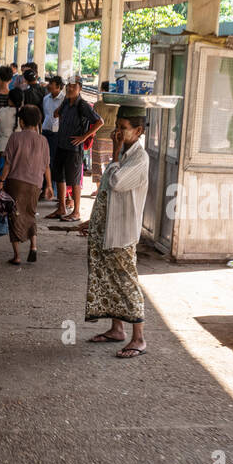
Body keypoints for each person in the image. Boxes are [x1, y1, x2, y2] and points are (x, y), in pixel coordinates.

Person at [80, 106, 151, 359]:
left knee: (126, 281)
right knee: (108, 280)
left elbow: (116, 181)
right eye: (117, 127)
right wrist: (93, 219)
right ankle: (116, 329)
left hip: (121, 232)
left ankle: (139, 338)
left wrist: (117, 153)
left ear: (138, 131)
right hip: (106, 227)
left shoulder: (139, 158)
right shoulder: (126, 154)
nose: (117, 133)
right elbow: (106, 189)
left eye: (123, 128)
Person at [0, 104, 53, 265]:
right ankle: (34, 246)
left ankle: (17, 256)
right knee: (30, 214)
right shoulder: (43, 140)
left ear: (21, 122)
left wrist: (1, 182)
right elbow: (46, 166)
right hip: (35, 184)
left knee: (14, 216)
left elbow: (8, 163)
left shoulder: (15, 137)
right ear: (38, 122)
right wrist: (49, 186)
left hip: (15, 182)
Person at [48, 81, 102, 222]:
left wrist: (84, 136)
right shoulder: (66, 102)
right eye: (68, 86)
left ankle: (76, 212)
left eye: (73, 86)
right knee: (60, 177)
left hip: (73, 148)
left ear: (80, 89)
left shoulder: (82, 105)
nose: (70, 89)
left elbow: (99, 121)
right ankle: (61, 208)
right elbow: (55, 114)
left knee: (75, 180)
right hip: (61, 144)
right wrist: (64, 103)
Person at [40, 76, 63, 203]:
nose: (49, 86)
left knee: (53, 161)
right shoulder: (46, 99)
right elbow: (45, 115)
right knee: (45, 160)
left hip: (56, 134)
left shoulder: (64, 100)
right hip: (46, 130)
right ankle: (46, 187)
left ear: (58, 87)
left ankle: (51, 188)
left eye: (52, 84)